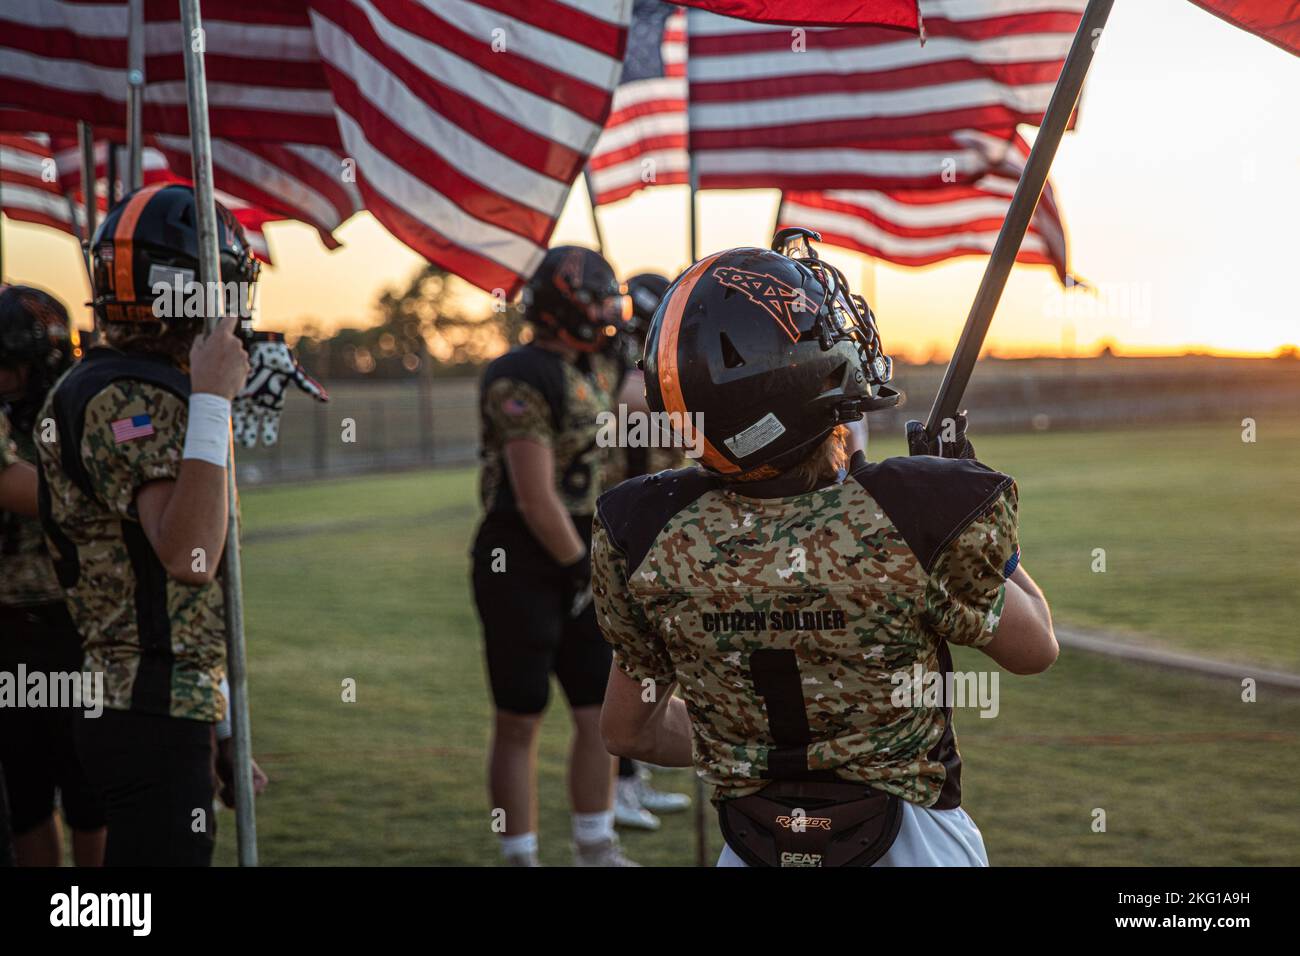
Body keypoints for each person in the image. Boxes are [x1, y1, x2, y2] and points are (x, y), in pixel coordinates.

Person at [591, 229, 1058, 867]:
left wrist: (751, 745)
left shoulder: (649, 531)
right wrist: (985, 551)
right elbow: (1035, 648)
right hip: (916, 843)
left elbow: (627, 730)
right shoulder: (906, 514)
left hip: (752, 848)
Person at [35, 184, 271, 866]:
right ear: (185, 289)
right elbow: (190, 555)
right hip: (144, 707)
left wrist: (219, 725)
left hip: (154, 701)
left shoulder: (119, 378)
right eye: (220, 285)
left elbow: (185, 604)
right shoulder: (127, 394)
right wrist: (211, 401)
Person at [471, 245, 637, 867]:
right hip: (522, 557)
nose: (606, 316)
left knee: (602, 712)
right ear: (565, 305)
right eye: (597, 302)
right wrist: (581, 570)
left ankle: (595, 844)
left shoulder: (591, 366)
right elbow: (534, 494)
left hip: (580, 549)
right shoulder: (520, 373)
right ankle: (520, 854)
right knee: (520, 716)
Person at [0, 285, 106, 866]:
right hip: (11, 627)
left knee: (88, 791)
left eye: (7, 368)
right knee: (26, 793)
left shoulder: (78, 407)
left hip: (73, 626)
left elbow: (39, 494)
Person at [599, 272, 691, 832]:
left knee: (650, 666)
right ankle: (619, 789)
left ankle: (632, 780)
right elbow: (670, 428)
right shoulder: (625, 376)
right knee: (626, 664)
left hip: (652, 532)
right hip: (625, 535)